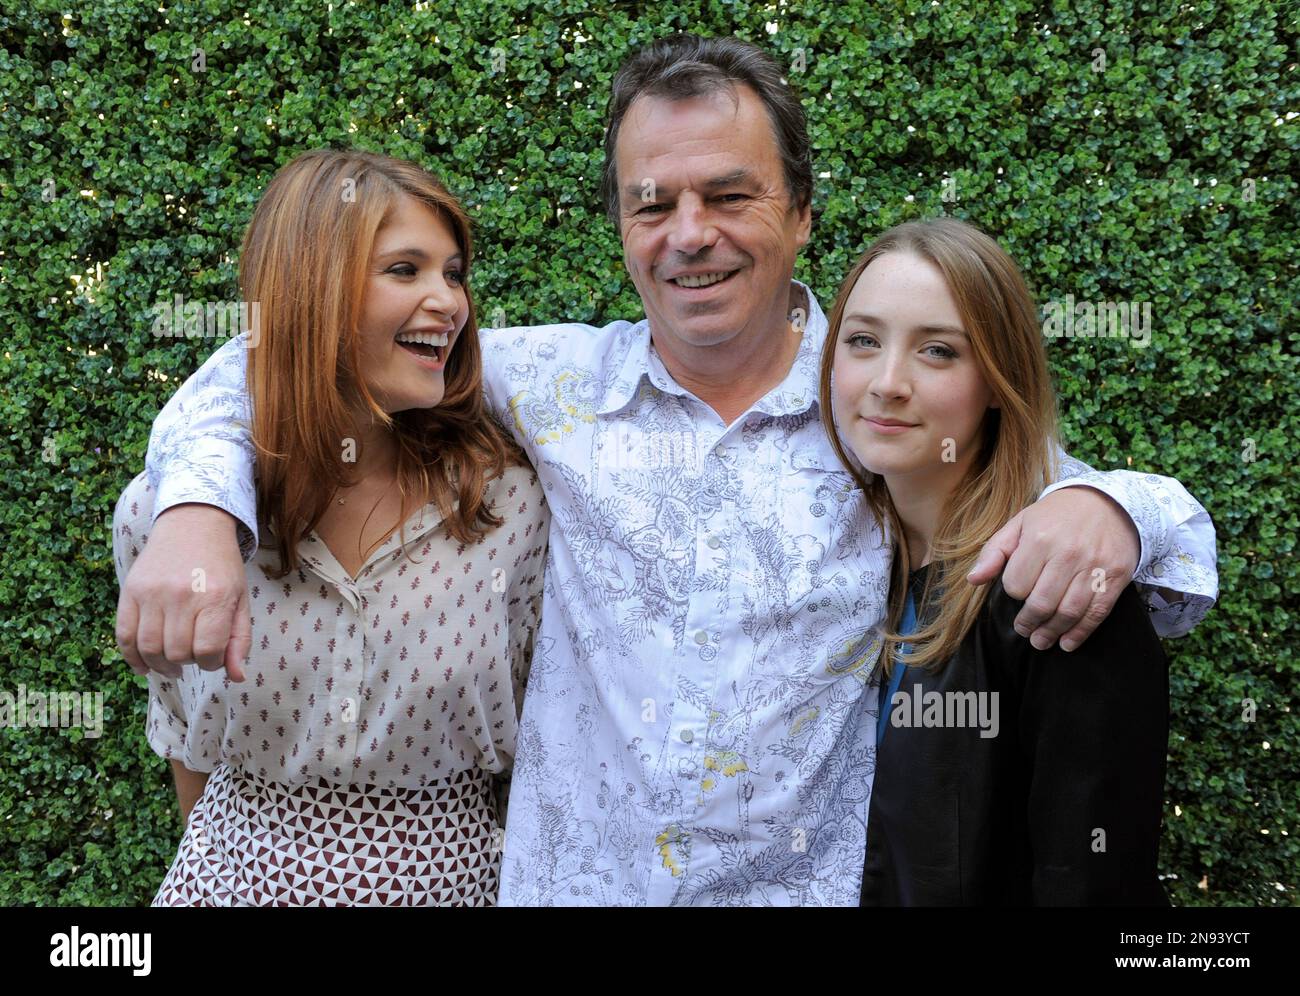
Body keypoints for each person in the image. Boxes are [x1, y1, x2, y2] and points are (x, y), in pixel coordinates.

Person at [116, 35, 1217, 906]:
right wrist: (200, 512)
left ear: (800, 212)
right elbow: (283, 355)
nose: (690, 233)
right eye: (654, 203)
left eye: (729, 195)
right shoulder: (544, 386)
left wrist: (1107, 506)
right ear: (622, 227)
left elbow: (1136, 539)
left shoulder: (875, 398)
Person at [111, 149, 549, 905]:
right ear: (311, 290)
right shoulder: (168, 517)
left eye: (453, 272)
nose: (449, 300)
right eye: (405, 270)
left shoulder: (508, 505)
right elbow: (188, 743)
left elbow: (539, 753)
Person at [820, 218, 1174, 905]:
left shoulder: (1052, 592)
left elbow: (1089, 882)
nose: (887, 383)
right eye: (863, 341)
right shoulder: (853, 562)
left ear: (997, 380)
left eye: (939, 352)